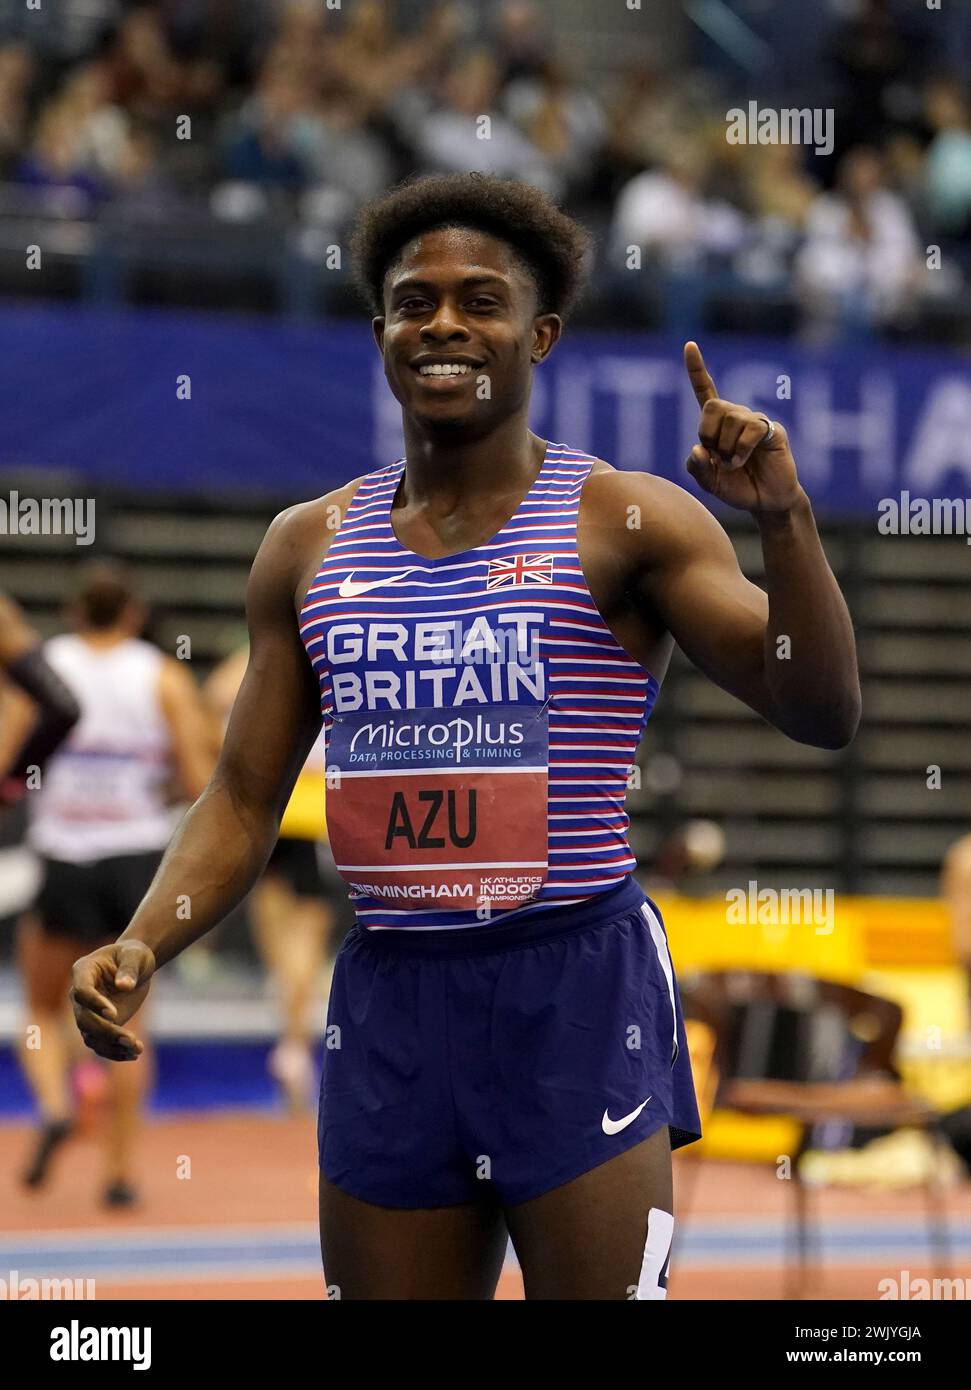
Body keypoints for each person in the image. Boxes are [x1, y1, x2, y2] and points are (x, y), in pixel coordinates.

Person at [70, 172, 860, 1298]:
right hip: (391, 1002)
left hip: (573, 989)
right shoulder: (308, 546)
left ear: (538, 335)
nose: (443, 323)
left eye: (480, 301)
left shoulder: (622, 520)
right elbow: (244, 796)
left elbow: (818, 710)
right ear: (382, 330)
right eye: (413, 301)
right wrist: (149, 937)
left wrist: (780, 519)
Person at [8, 562, 213, 1203]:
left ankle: (52, 1104)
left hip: (63, 855)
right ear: (131, 614)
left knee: (40, 1011)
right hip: (136, 863)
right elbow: (202, 774)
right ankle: (120, 1174)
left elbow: (11, 758)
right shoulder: (163, 673)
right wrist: (158, 790)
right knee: (129, 1024)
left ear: (73, 612)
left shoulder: (44, 667)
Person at [204, 644, 342, 1110]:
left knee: (279, 929)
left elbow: (215, 695)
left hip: (269, 808)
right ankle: (294, 1042)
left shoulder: (263, 654)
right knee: (308, 929)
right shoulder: (324, 646)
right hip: (306, 809)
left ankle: (290, 1023)